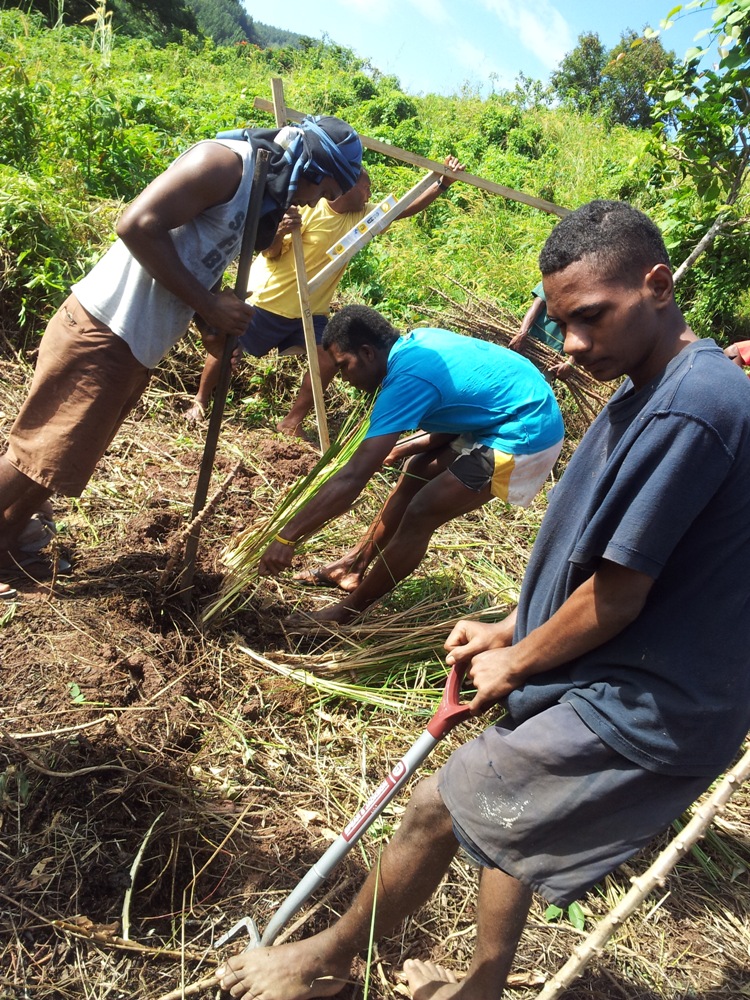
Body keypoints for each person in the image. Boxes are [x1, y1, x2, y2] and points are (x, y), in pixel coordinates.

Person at [214, 200, 750, 1000]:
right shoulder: (648, 386)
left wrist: (519, 659)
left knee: (441, 802)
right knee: (508, 810)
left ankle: (323, 958)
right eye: (563, 320)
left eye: (591, 318)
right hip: (608, 664)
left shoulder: (691, 408)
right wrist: (512, 623)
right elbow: (603, 558)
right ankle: (484, 986)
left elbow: (618, 596)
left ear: (659, 283)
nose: (570, 344)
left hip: (654, 698)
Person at [0, 115, 362, 595]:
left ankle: (10, 544)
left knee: (58, 458)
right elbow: (135, 225)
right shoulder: (224, 165)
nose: (317, 201)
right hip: (104, 328)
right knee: (37, 451)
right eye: (325, 188)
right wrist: (209, 303)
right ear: (309, 166)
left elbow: (192, 265)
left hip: (134, 345)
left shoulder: (257, 195)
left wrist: (211, 326)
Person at [256, 304, 564, 624]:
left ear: (367, 353)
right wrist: (401, 450)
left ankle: (345, 612)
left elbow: (353, 477)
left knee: (421, 512)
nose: (344, 379)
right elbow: (461, 403)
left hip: (526, 431)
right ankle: (353, 566)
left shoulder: (407, 378)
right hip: (502, 409)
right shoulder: (414, 345)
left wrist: (287, 537)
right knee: (417, 469)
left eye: (344, 366)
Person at [184, 157, 465, 435]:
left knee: (328, 360)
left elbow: (403, 209)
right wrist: (280, 232)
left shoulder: (362, 217)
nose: (370, 195)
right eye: (367, 188)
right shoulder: (308, 206)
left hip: (311, 308)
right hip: (271, 299)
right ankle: (200, 400)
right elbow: (268, 252)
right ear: (348, 186)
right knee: (229, 348)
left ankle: (291, 422)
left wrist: (441, 183)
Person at [508, 281, 573, 381]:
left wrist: (570, 363)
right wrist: (521, 334)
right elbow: (537, 305)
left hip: (551, 358)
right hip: (527, 343)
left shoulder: (593, 294)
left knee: (535, 389)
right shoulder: (555, 278)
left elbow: (589, 333)